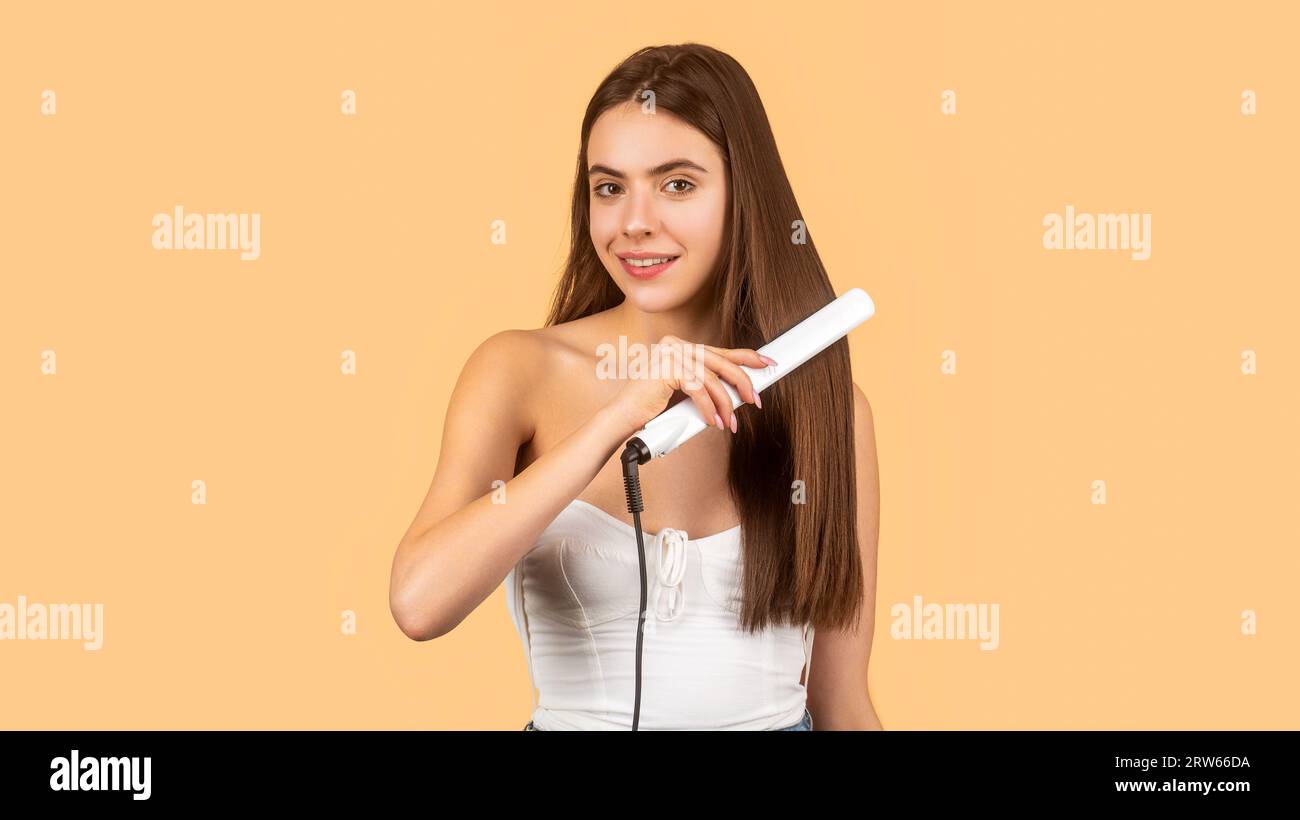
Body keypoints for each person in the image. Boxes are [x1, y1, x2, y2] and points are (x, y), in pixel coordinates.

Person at [389, 43, 881, 731]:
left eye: (677, 184)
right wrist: (615, 422)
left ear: (745, 196)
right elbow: (418, 602)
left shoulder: (826, 408)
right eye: (609, 187)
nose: (634, 222)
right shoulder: (517, 372)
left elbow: (840, 700)